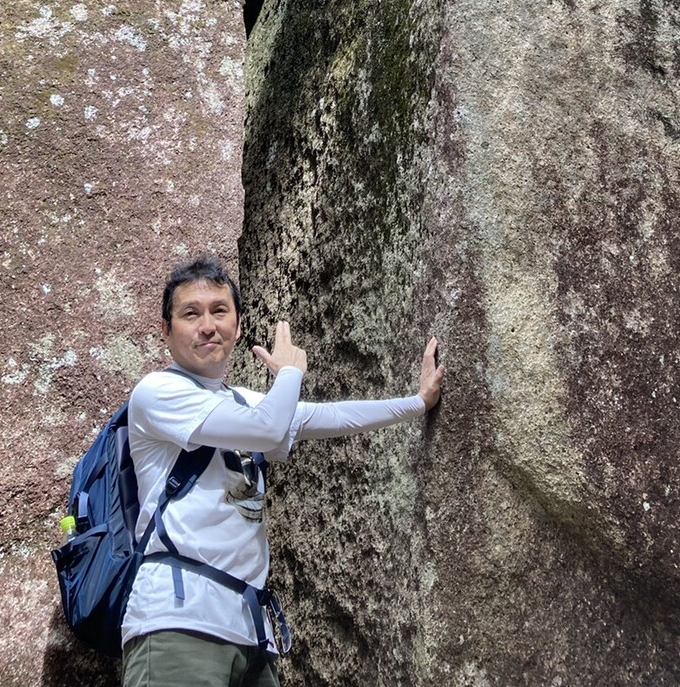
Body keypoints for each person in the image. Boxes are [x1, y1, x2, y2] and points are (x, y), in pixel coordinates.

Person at [123, 253, 445, 687]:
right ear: (166, 330)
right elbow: (270, 425)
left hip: (249, 630)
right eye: (190, 314)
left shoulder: (240, 402)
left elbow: (331, 418)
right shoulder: (157, 392)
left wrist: (418, 402)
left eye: (220, 311)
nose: (207, 325)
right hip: (178, 622)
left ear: (237, 326)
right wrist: (290, 375)